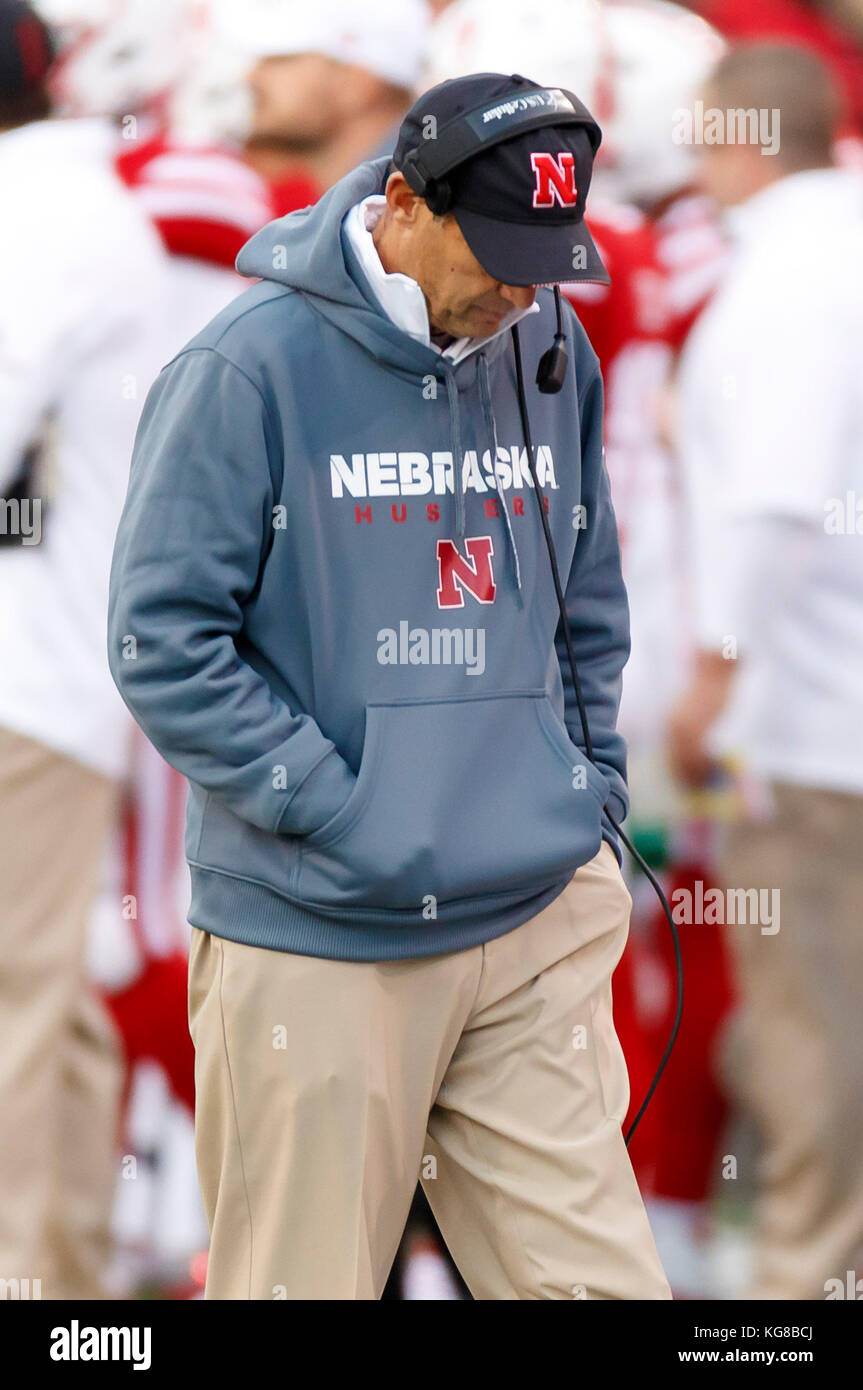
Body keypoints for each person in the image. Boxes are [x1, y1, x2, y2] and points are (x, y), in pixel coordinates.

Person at [108, 70, 671, 1301]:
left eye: (550, 255)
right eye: (505, 251)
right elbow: (162, 639)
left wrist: (581, 787)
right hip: (324, 936)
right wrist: (337, 807)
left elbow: (586, 591)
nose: (529, 286)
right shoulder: (245, 367)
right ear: (405, 204)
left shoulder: (544, 341)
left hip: (532, 908)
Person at [669, 42, 863, 1299]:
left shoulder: (794, 273)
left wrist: (711, 682)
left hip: (806, 720)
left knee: (809, 1044)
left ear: (739, 136)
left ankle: (807, 1292)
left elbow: (779, 498)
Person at [0, 0, 166, 1298]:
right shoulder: (64, 199)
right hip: (48, 659)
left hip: (30, 665)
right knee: (37, 1008)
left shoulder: (43, 210)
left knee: (16, 1003)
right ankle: (58, 1280)